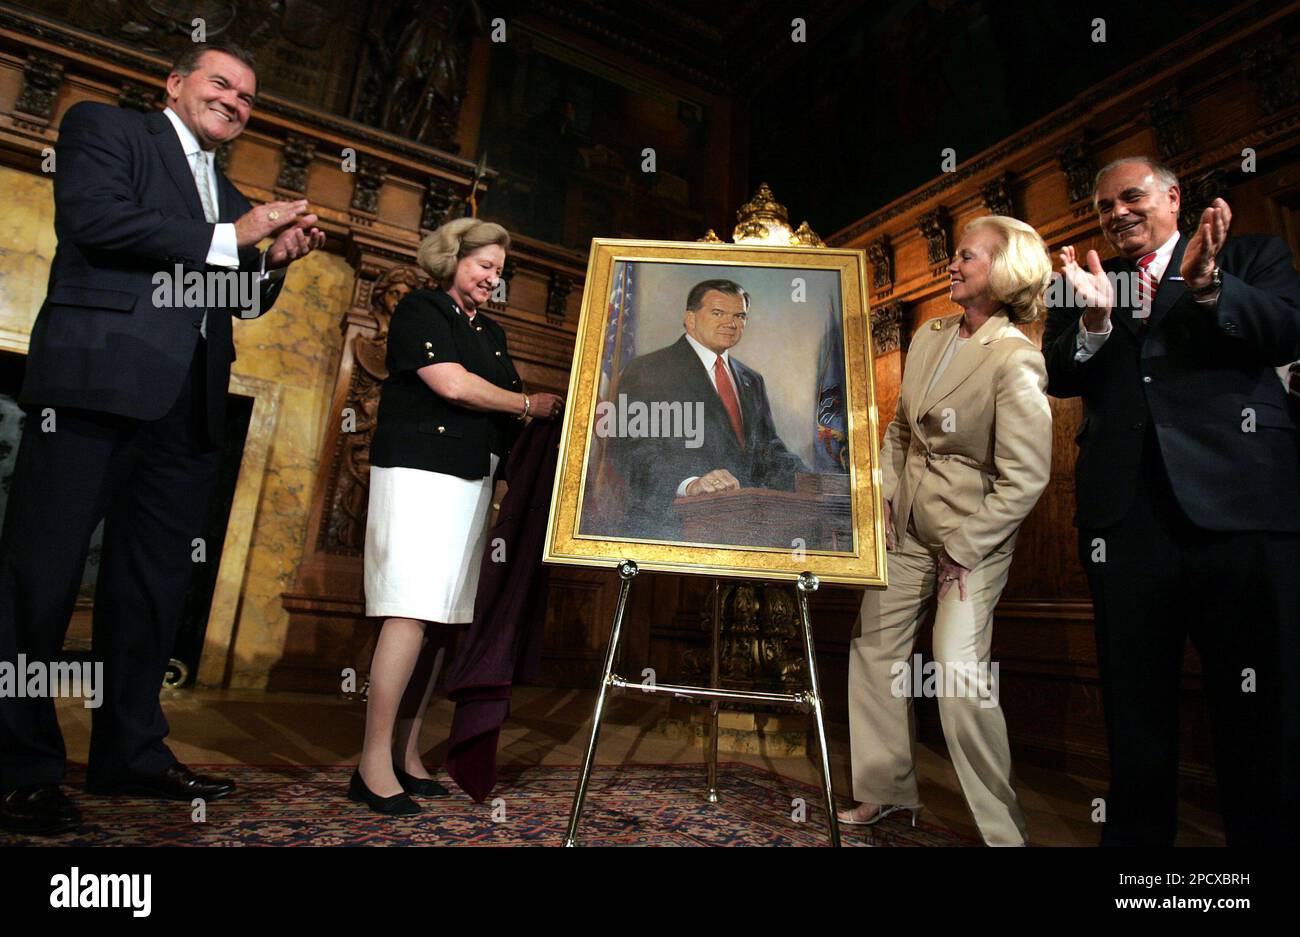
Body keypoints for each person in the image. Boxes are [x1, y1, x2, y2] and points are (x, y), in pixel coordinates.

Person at [0, 42, 325, 835]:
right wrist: (236, 231)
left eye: (248, 97)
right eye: (222, 83)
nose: (236, 101)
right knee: (40, 580)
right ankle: (17, 765)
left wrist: (270, 259)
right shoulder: (104, 130)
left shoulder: (233, 193)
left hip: (186, 411)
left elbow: (235, 298)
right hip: (91, 386)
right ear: (174, 83)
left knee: (149, 592)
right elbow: (95, 220)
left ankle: (131, 751)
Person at [1043, 156, 1300, 846]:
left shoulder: (1250, 253)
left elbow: (1285, 330)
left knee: (1261, 711)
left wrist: (1213, 286)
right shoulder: (1080, 284)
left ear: (1173, 196)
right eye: (1103, 207)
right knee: (1135, 711)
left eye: (1131, 197)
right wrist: (1095, 319)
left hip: (1241, 517)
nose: (1116, 213)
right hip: (1126, 527)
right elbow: (1059, 374)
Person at [841, 215, 1053, 846]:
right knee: (873, 652)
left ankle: (1001, 831)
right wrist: (882, 495)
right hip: (904, 531)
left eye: (966, 257)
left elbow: (1026, 477)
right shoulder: (931, 334)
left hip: (972, 543)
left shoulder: (1017, 359)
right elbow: (901, 430)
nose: (952, 266)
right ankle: (885, 795)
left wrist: (962, 550)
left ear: (1004, 272)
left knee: (957, 672)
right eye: (954, 256)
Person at [351, 218, 563, 815]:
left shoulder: (490, 332)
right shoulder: (422, 309)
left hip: (470, 483)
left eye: (499, 270)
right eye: (484, 265)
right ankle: (370, 764)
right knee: (410, 611)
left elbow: (512, 413)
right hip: (419, 475)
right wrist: (527, 403)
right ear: (451, 259)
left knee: (442, 621)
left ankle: (406, 754)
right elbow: (450, 384)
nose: (493, 278)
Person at [608, 279, 809, 541]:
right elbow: (630, 450)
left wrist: (815, 480)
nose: (731, 323)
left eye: (740, 315)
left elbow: (768, 450)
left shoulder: (751, 380)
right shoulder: (649, 370)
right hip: (672, 529)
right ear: (689, 319)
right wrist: (690, 484)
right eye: (718, 313)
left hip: (744, 529)